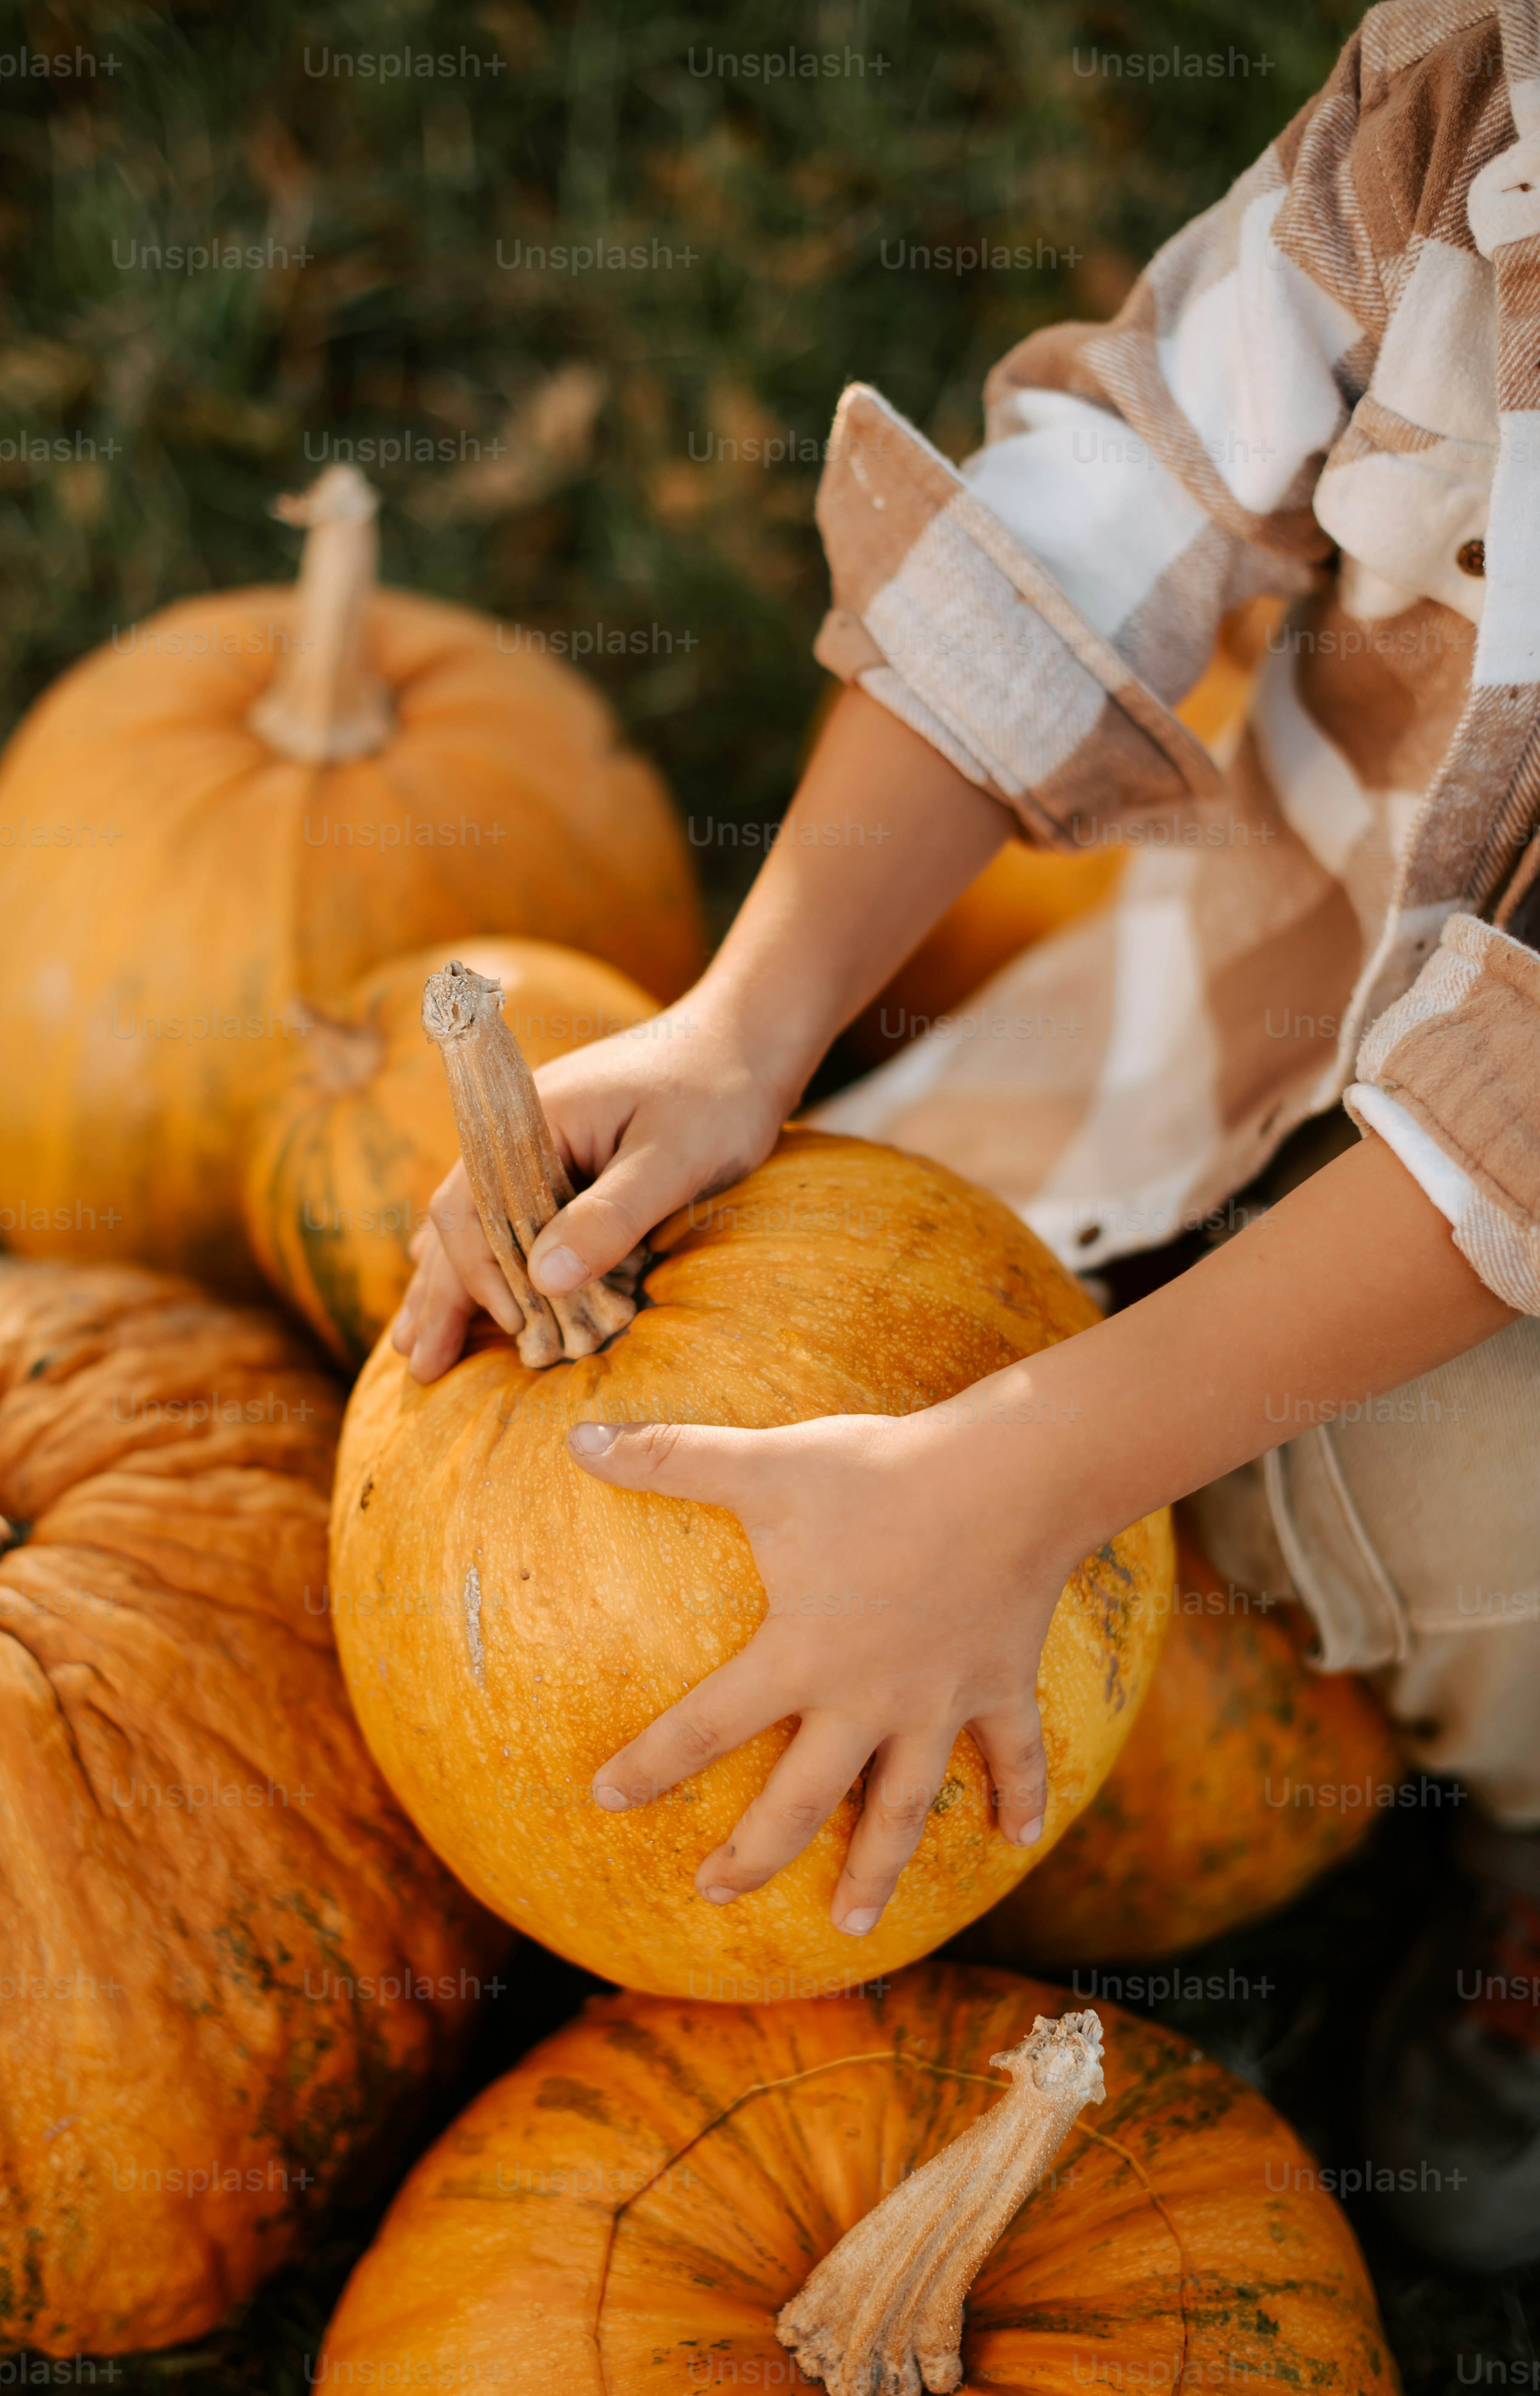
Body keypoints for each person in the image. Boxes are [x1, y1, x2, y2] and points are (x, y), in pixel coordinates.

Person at [399, 0, 1540, 2269]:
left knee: (1411, 1491)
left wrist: (1015, 1478)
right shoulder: (1460, 98)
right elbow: (1100, 511)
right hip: (1287, 978)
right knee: (916, 1266)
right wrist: (753, 1018)